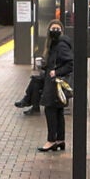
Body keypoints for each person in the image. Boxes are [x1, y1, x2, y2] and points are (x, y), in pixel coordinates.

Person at [35, 23, 73, 153]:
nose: (55, 31)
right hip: (53, 82)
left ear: (62, 30)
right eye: (53, 29)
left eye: (57, 29)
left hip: (56, 83)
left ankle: (51, 140)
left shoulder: (61, 44)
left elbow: (70, 63)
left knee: (50, 110)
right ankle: (60, 140)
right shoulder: (56, 43)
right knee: (58, 111)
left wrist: (56, 72)